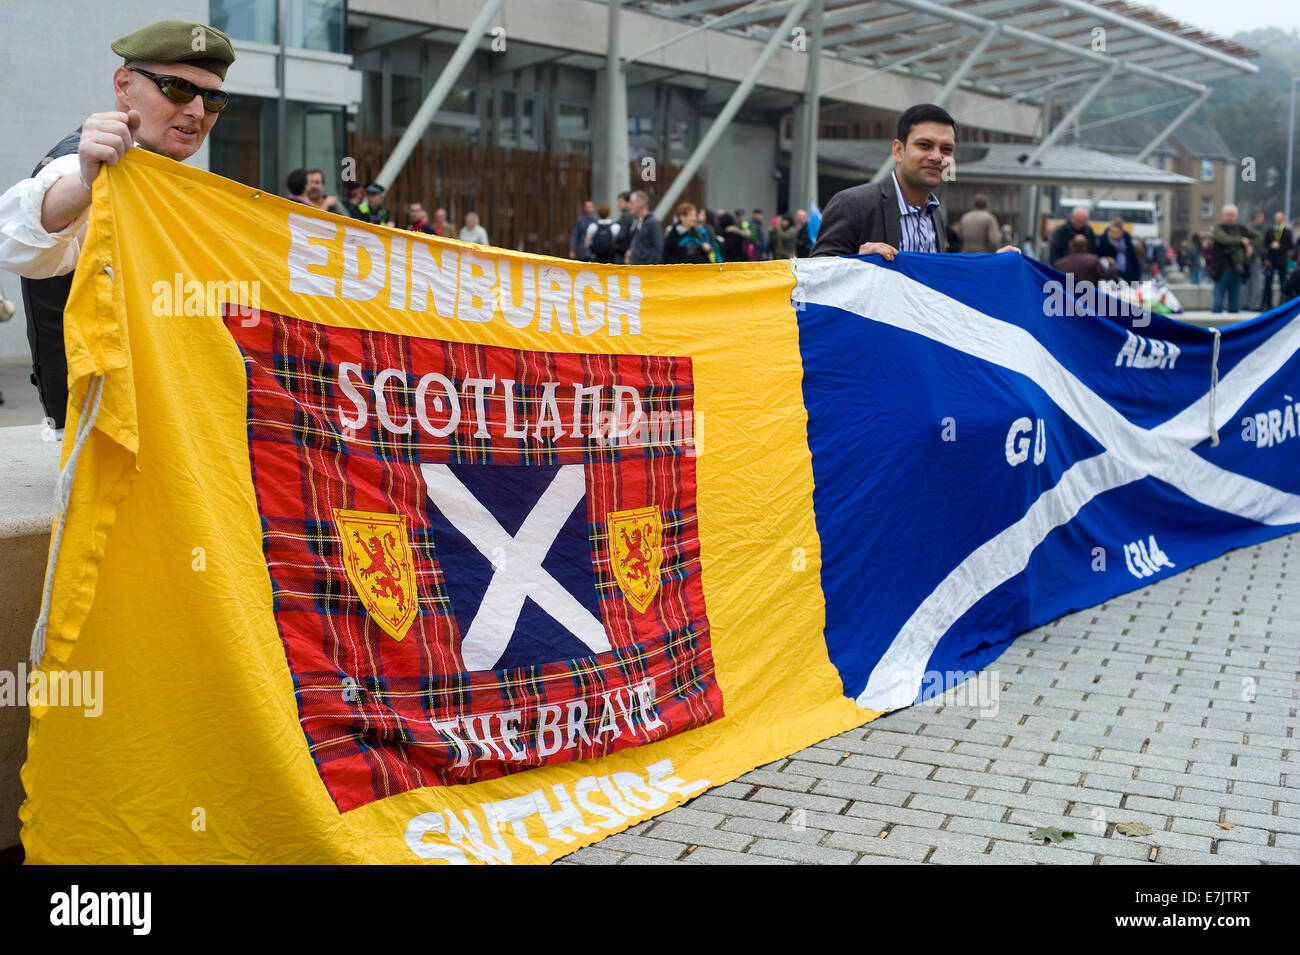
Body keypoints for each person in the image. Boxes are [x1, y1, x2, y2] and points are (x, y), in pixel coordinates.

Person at [0, 18, 236, 430]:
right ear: (124, 86)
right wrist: (85, 184)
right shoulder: (83, 165)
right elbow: (21, 235)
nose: (196, 110)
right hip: (104, 435)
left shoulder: (162, 174)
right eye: (177, 88)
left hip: (167, 429)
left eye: (212, 98)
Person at [813, 104, 1014, 259]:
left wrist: (991, 265)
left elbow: (937, 281)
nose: (937, 156)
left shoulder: (936, 215)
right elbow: (814, 277)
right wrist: (857, 261)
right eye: (925, 145)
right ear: (898, 151)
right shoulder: (853, 204)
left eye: (946, 149)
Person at [1208, 204, 1258, 314]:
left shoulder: (1241, 228)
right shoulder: (1218, 229)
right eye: (1227, 215)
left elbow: (1258, 236)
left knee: (1234, 303)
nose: (1230, 217)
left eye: (1232, 215)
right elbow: (1223, 239)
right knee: (1218, 301)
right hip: (1221, 271)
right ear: (1222, 215)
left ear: (1236, 216)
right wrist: (1241, 240)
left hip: (1237, 271)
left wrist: (1251, 245)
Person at [1052, 234, 1117, 285]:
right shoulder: (1093, 260)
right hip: (1088, 298)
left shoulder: (1059, 264)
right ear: (1085, 246)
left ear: (1071, 244)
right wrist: (1111, 263)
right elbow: (1107, 275)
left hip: (1067, 299)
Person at [1096, 217, 1145, 283]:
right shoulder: (1104, 240)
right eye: (1113, 231)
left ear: (1121, 232)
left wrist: (1137, 276)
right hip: (1110, 275)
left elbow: (1133, 258)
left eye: (1117, 232)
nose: (1114, 234)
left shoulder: (1126, 239)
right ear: (1109, 231)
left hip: (1128, 275)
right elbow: (1099, 256)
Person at [1262, 210, 1293, 311]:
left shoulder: (1287, 232)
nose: (1279, 220)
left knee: (1283, 283)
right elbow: (1264, 245)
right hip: (1271, 260)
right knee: (1268, 283)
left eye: (1281, 218)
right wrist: (1270, 249)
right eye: (1277, 218)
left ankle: (1282, 304)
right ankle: (1267, 304)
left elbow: (1290, 246)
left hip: (1282, 261)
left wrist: (1280, 246)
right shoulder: (1269, 231)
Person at [623, 191, 663, 265]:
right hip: (635, 269)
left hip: (645, 271)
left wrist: (649, 268)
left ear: (640, 204)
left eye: (631, 203)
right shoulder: (637, 221)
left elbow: (658, 248)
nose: (628, 205)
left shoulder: (653, 223)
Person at [1243, 211, 1268, 310]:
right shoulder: (1255, 229)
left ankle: (1250, 304)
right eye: (1261, 217)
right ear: (1256, 218)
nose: (1263, 219)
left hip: (1250, 259)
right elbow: (1258, 244)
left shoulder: (1249, 228)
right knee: (1257, 282)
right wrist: (1259, 256)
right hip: (1255, 259)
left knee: (1250, 282)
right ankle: (1254, 305)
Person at [614, 191, 635, 260]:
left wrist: (613, 243)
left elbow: (621, 235)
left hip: (623, 254)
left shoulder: (625, 216)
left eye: (621, 202)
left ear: (628, 203)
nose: (619, 205)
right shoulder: (635, 215)